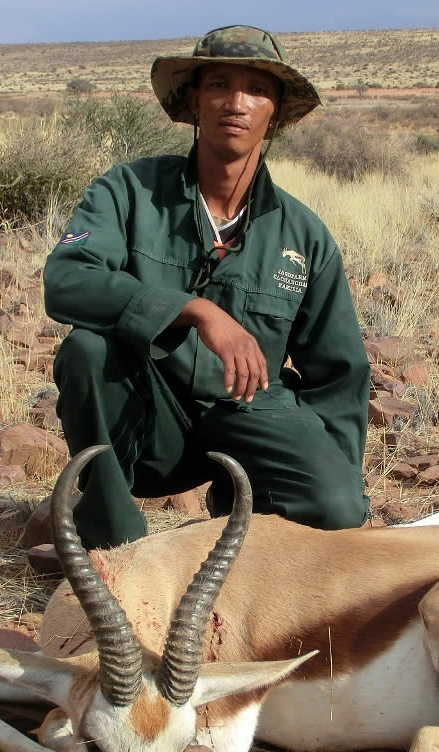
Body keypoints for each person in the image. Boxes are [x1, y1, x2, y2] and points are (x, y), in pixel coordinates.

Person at [43, 25, 370, 549]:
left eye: (257, 90)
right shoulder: (127, 191)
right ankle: (110, 541)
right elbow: (66, 280)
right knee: (87, 350)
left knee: (336, 509)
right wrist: (194, 309)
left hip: (249, 413)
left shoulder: (304, 235)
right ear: (195, 101)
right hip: (149, 421)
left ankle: (242, 511)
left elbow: (340, 375)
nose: (236, 102)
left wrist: (334, 473)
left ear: (277, 111)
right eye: (218, 84)